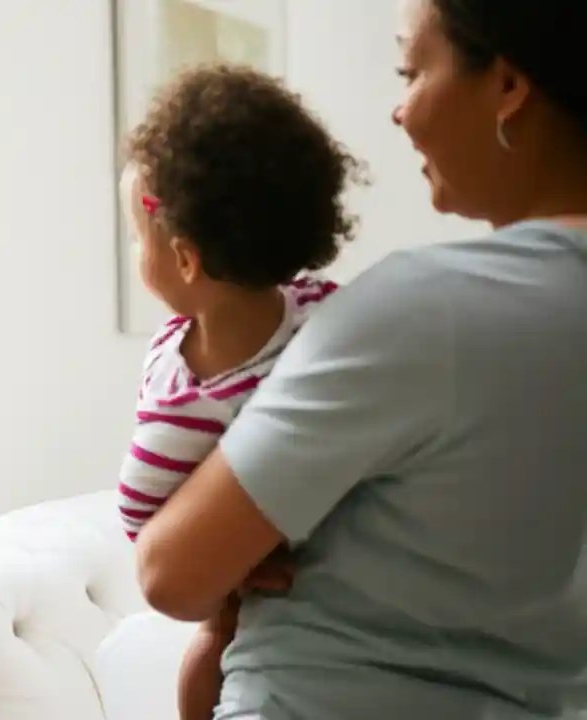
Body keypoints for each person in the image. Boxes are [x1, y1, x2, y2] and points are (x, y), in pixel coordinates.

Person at [133, 0, 587, 717]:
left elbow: (170, 575)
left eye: (412, 70)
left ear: (506, 86)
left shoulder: (423, 308)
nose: (399, 111)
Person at [114, 65, 358, 719]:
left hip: (302, 584)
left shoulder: (180, 404)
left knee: (216, 643)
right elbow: (153, 534)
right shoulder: (324, 314)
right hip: (254, 569)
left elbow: (137, 507)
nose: (138, 254)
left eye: (140, 239)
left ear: (186, 260)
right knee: (217, 635)